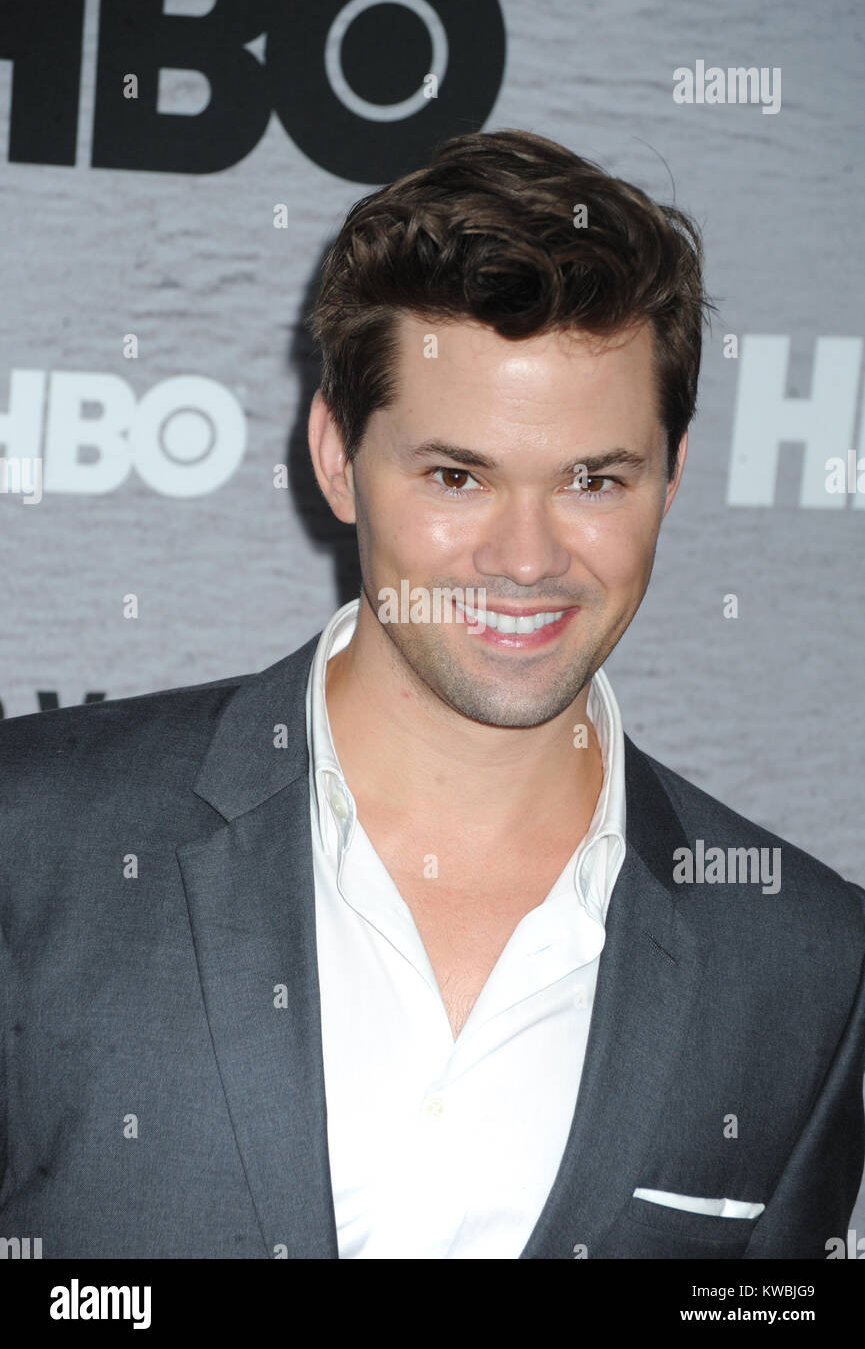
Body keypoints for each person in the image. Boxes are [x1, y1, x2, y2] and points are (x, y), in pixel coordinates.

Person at [1, 129, 863, 1261]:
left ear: (674, 474)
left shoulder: (803, 960)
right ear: (333, 456)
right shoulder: (35, 838)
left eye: (594, 479)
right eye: (458, 476)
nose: (525, 556)